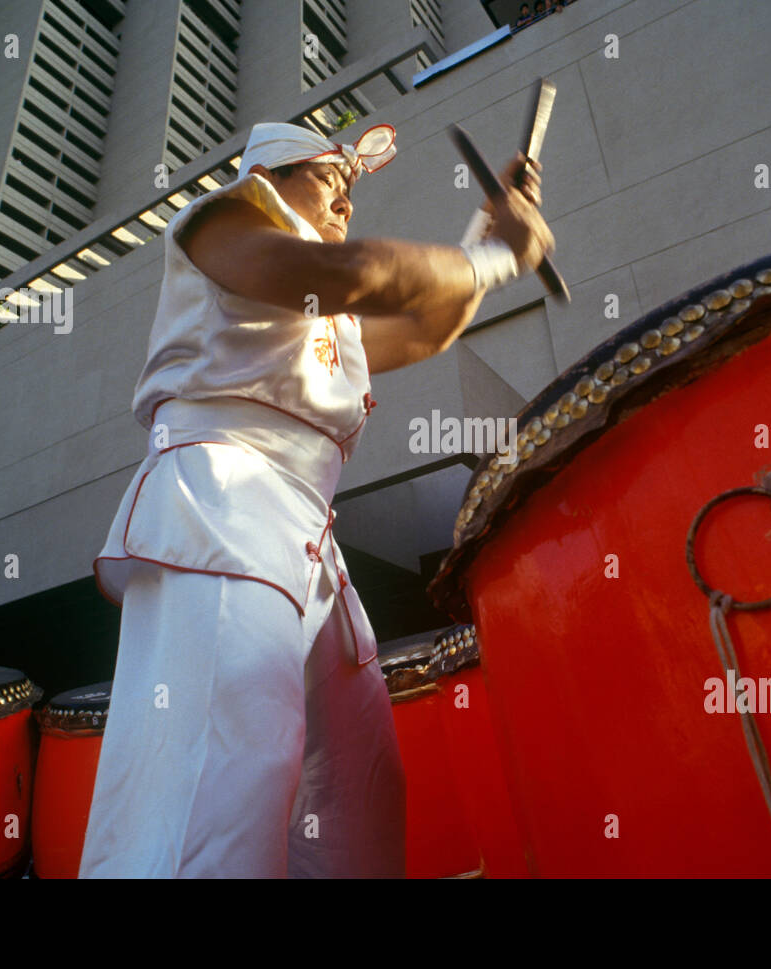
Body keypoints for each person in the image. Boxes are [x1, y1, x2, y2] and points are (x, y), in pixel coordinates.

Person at [81, 120, 553, 877]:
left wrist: (489, 237)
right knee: (221, 785)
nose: (346, 198)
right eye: (330, 178)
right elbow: (360, 272)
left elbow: (427, 324)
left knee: (355, 804)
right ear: (271, 176)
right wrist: (495, 254)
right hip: (222, 506)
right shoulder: (229, 223)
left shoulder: (323, 306)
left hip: (305, 544)